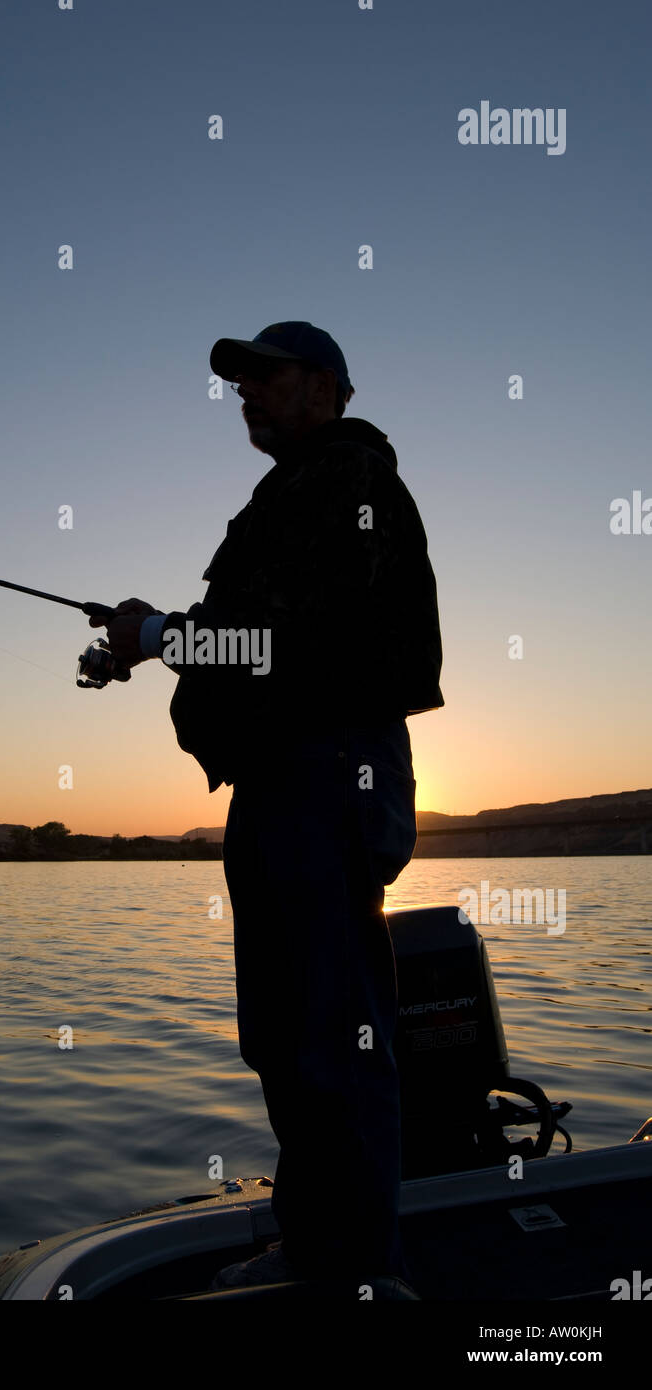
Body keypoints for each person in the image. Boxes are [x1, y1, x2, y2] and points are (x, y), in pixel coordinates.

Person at [90, 321, 444, 1294]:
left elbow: (295, 642)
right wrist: (153, 642)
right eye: (238, 380)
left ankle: (363, 1272)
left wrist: (164, 632)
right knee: (288, 1040)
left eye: (265, 375)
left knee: (334, 1038)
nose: (245, 391)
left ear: (325, 385)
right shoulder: (296, 493)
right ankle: (321, 1244)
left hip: (326, 777)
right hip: (284, 782)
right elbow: (260, 639)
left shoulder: (350, 482)